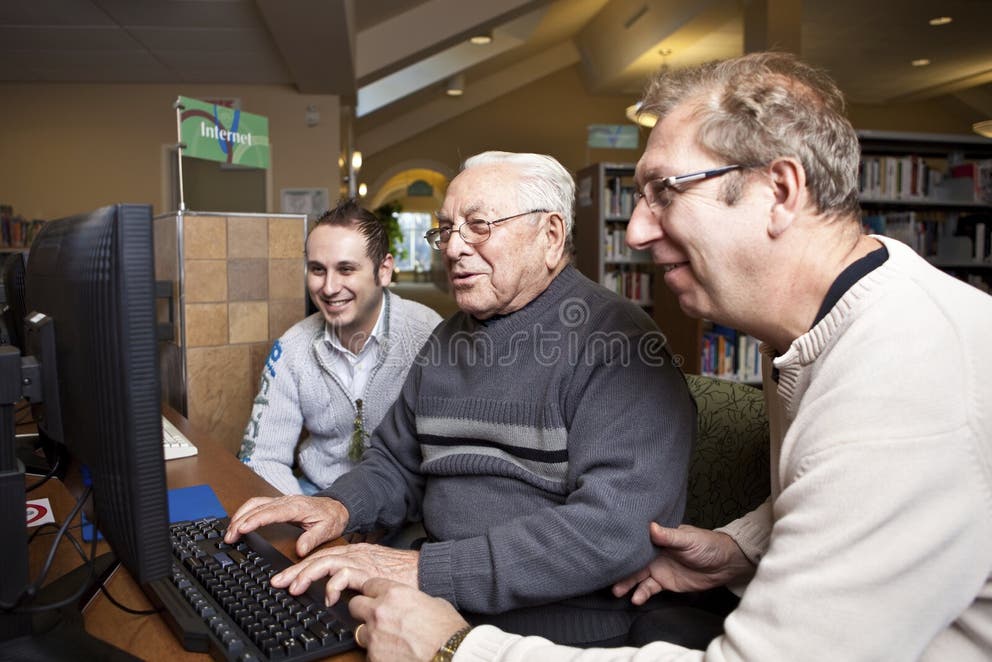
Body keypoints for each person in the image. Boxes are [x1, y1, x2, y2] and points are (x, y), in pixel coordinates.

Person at [335, 52, 992, 661]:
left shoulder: (905, 389)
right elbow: (853, 488)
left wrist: (458, 649)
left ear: (782, 191)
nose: (639, 229)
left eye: (667, 192)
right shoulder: (823, 329)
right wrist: (746, 546)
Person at [225, 151, 697, 646]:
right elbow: (396, 464)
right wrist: (338, 506)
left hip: (558, 636)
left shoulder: (618, 343)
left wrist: (426, 569)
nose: (453, 248)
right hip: (434, 601)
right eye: (446, 230)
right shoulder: (447, 339)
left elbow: (611, 529)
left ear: (551, 236)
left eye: (478, 226)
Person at [238, 198, 441, 495]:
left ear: (384, 270)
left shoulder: (429, 335)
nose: (329, 288)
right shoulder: (291, 349)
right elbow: (262, 457)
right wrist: (307, 515)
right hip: (318, 494)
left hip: (406, 504)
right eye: (318, 270)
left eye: (346, 270)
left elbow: (448, 456)